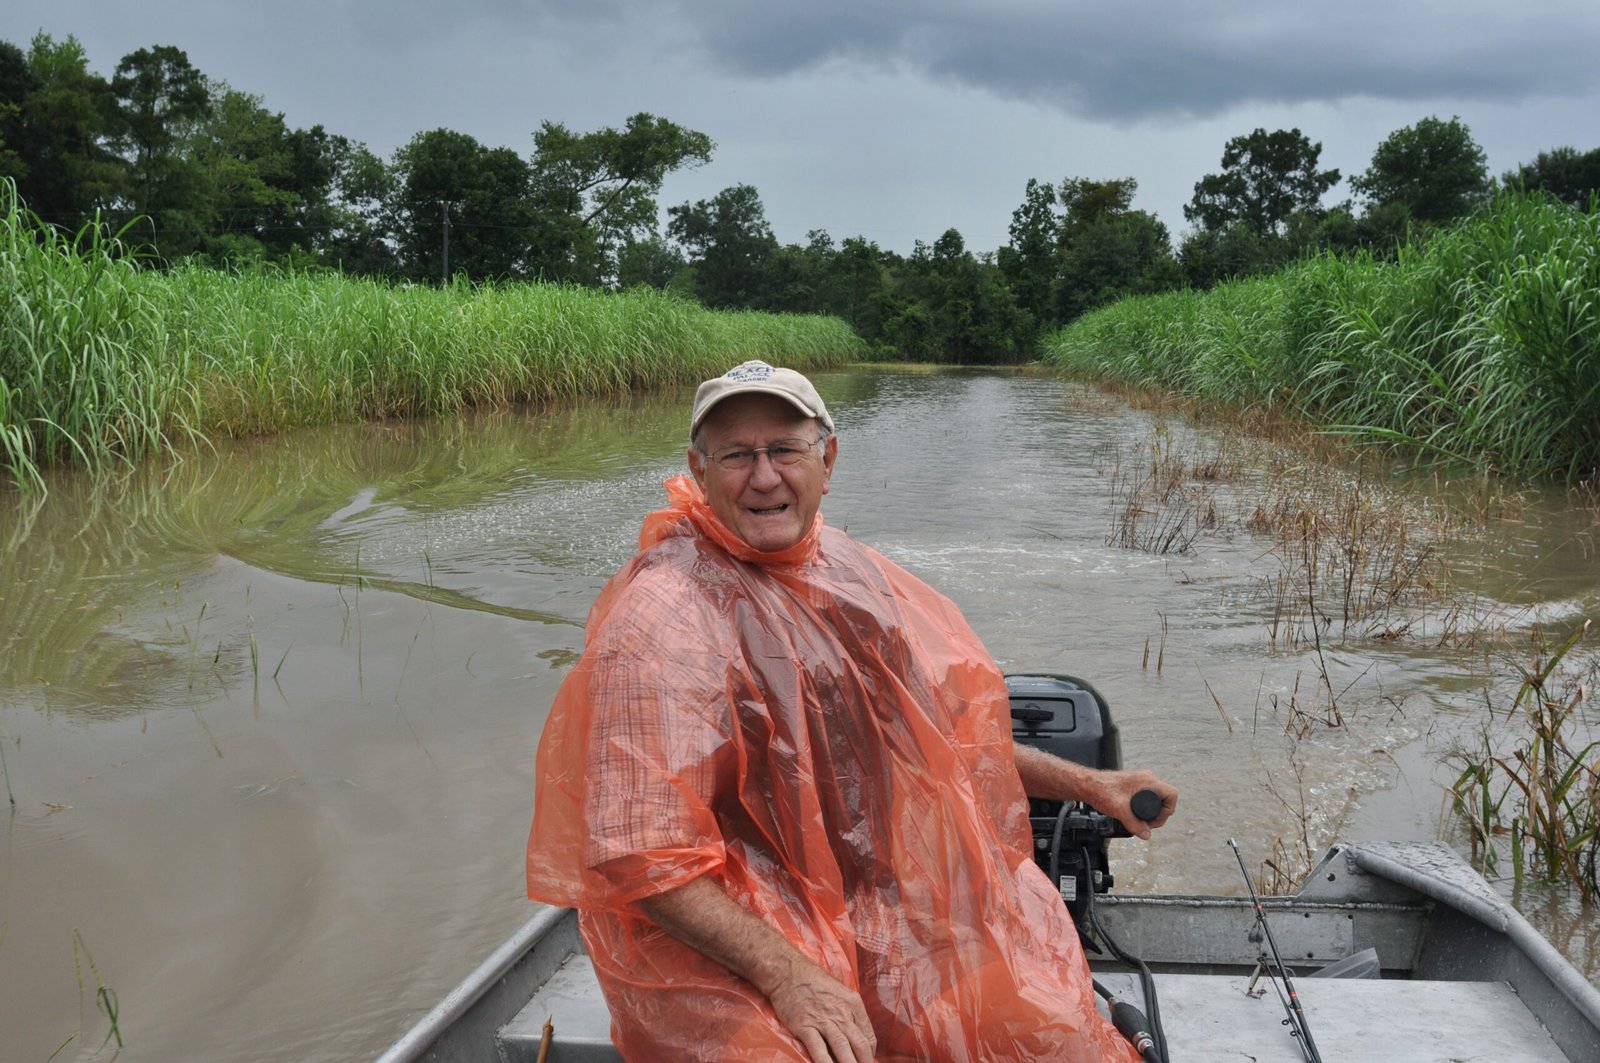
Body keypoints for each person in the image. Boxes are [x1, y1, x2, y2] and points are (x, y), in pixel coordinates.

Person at [527, 360, 1178, 1062]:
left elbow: (936, 744)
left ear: (827, 460)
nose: (765, 475)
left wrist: (1094, 787)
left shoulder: (848, 578)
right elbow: (638, 853)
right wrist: (791, 975)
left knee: (1057, 1040)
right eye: (738, 455)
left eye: (784, 449)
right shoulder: (662, 617)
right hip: (711, 953)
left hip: (859, 912)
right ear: (700, 467)